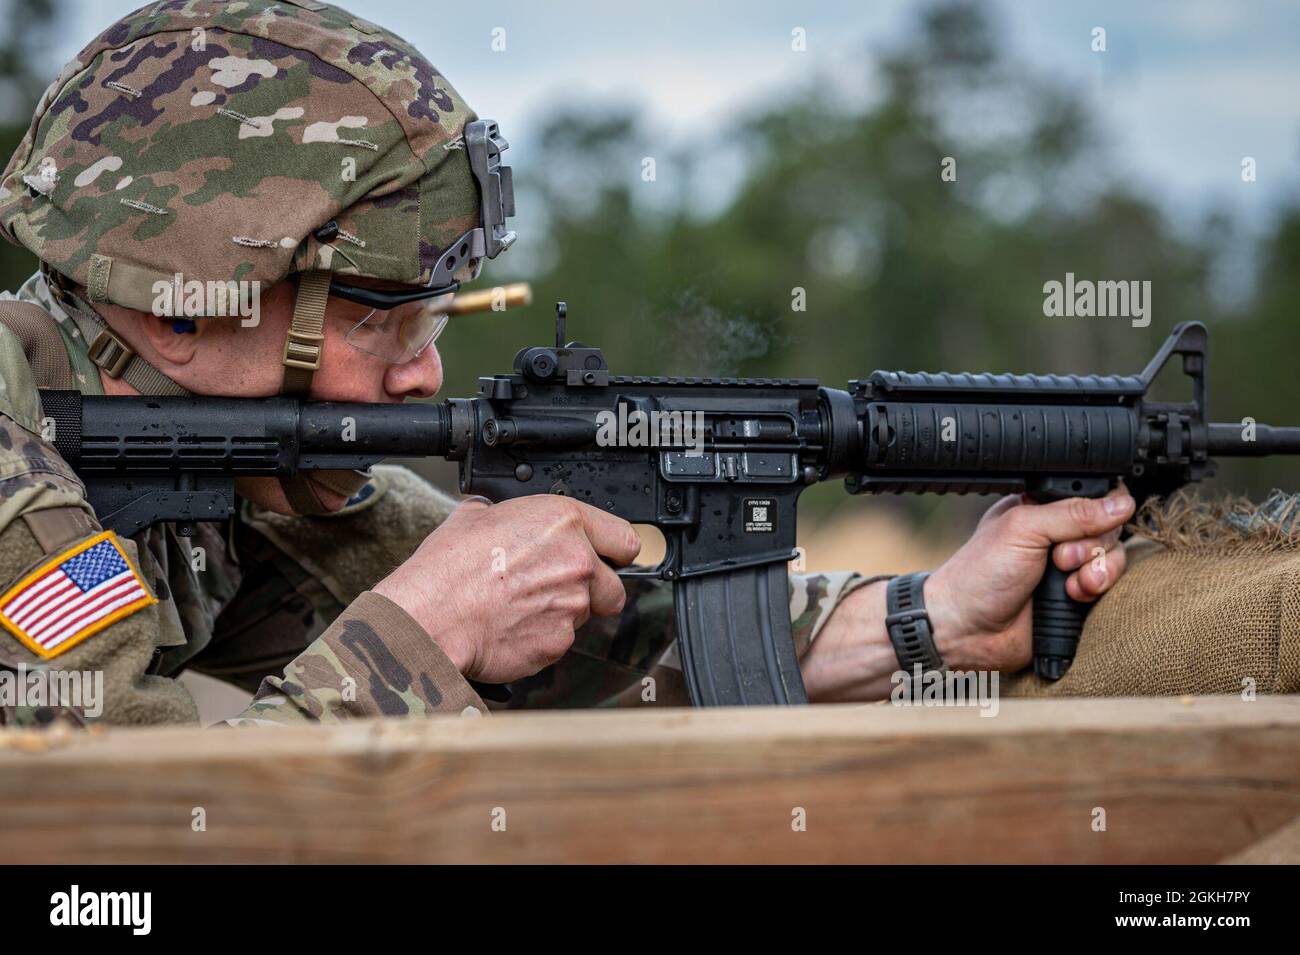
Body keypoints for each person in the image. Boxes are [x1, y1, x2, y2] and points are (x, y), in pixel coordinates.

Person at [0, 0, 1132, 727]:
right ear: (181, 314)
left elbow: (609, 651)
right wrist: (424, 634)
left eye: (434, 324)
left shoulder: (249, 466)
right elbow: (116, 857)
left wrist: (928, 618)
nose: (419, 377)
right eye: (380, 321)